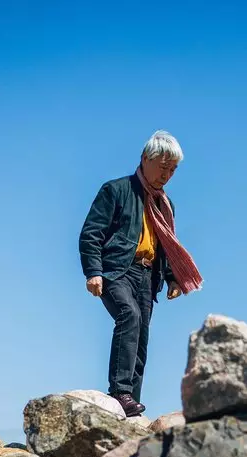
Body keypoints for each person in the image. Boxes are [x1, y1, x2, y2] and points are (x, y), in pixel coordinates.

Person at [78, 130, 204, 417]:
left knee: (142, 335)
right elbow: (91, 233)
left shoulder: (166, 204)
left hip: (148, 277)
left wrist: (172, 277)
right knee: (129, 316)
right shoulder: (116, 190)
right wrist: (94, 271)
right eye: (163, 166)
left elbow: (168, 243)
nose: (167, 174)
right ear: (145, 159)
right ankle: (120, 391)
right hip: (116, 270)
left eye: (172, 170)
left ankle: (132, 400)